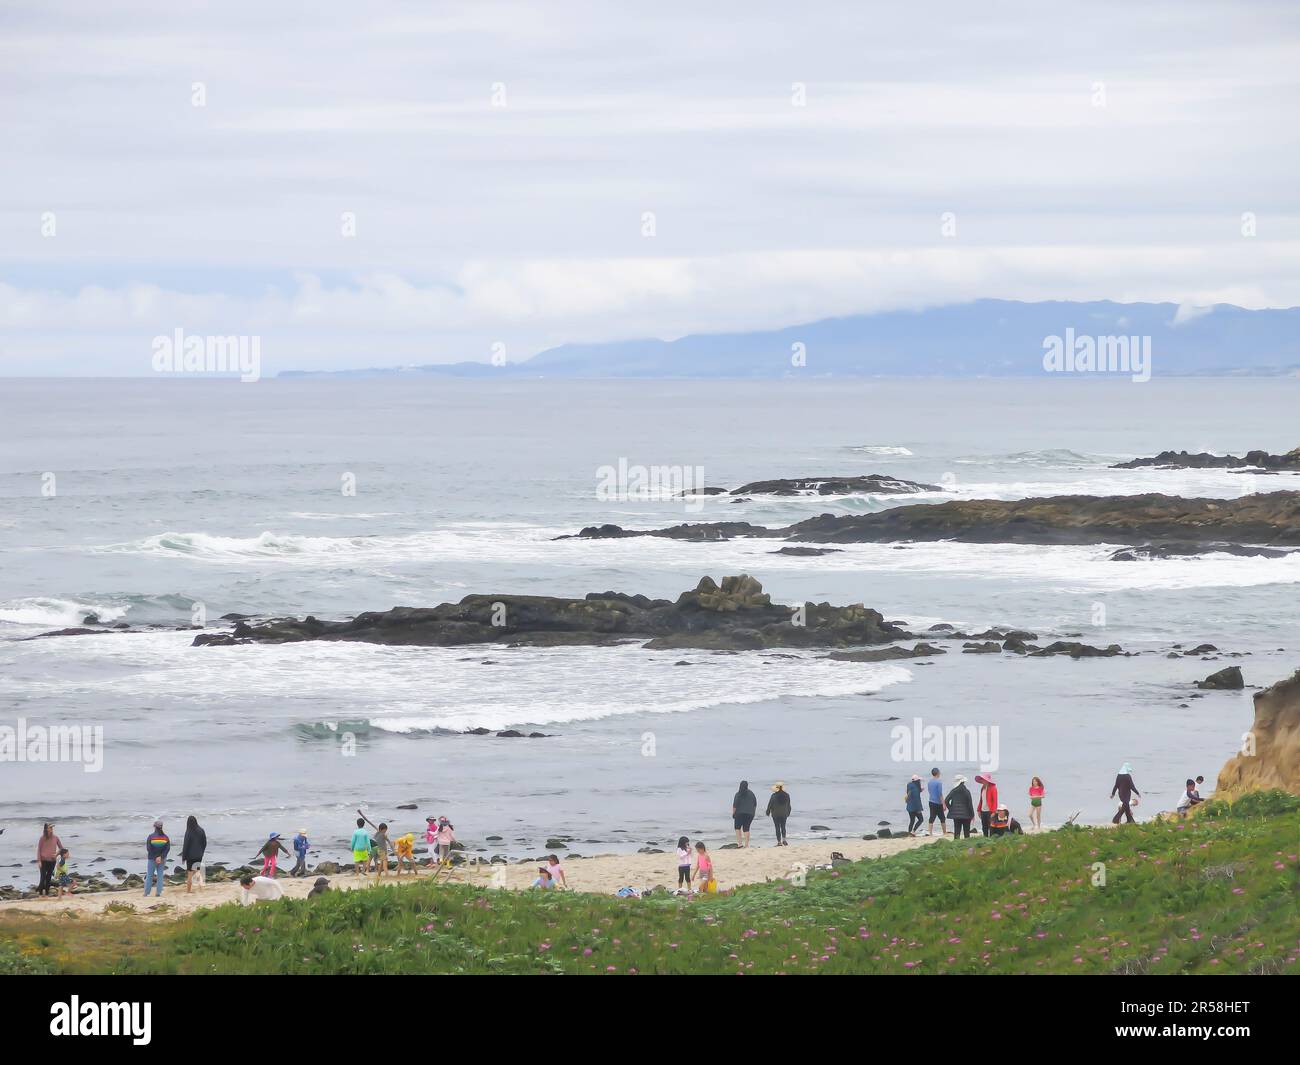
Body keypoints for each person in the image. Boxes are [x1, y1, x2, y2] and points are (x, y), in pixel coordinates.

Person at [181, 815, 207, 892]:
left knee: (190, 873)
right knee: (198, 871)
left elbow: (186, 845)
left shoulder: (188, 831)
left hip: (190, 856)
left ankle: (188, 890)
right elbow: (204, 842)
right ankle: (201, 888)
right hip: (199, 855)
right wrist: (202, 851)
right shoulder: (201, 830)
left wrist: (183, 857)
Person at [36, 822, 63, 896]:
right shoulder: (42, 838)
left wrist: (57, 854)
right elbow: (39, 850)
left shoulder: (56, 837)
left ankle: (47, 893)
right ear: (46, 829)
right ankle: (40, 893)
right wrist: (39, 861)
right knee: (43, 877)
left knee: (48, 878)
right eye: (50, 827)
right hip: (43, 861)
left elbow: (62, 848)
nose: (52, 829)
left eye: (52, 828)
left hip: (52, 861)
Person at [145, 820, 170, 897]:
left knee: (149, 875)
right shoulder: (166, 837)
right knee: (160, 875)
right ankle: (158, 893)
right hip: (162, 859)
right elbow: (167, 849)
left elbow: (149, 849)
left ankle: (147, 893)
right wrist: (161, 857)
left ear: (154, 827)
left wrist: (156, 857)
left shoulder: (151, 837)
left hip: (152, 858)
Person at [731, 780, 757, 847]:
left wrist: (733, 813)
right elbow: (755, 804)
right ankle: (746, 845)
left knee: (737, 828)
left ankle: (740, 844)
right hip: (750, 813)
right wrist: (753, 812)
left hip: (739, 813)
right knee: (746, 828)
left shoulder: (738, 794)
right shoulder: (751, 793)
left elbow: (735, 805)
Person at [765, 782, 791, 846]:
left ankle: (779, 842)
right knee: (783, 826)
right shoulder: (787, 795)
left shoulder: (773, 796)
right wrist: (788, 813)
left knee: (777, 827)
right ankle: (784, 840)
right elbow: (789, 806)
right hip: (784, 814)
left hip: (775, 814)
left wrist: (767, 812)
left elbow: (770, 805)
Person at [926, 768, 947, 836]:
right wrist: (943, 804)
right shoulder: (939, 782)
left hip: (931, 801)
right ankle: (944, 832)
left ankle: (930, 833)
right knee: (942, 818)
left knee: (932, 817)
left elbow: (929, 791)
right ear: (938, 773)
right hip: (938, 803)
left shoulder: (929, 782)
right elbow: (940, 794)